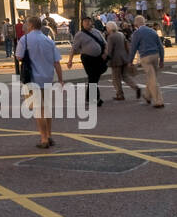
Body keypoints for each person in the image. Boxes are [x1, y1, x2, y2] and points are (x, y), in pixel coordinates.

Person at [16, 16, 64, 149]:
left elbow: (19, 56)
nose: (25, 26)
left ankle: (43, 139)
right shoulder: (48, 40)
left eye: (26, 24)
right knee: (46, 108)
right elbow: (57, 62)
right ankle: (49, 135)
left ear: (31, 25)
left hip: (32, 79)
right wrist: (60, 79)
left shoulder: (24, 39)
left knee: (39, 110)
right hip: (48, 78)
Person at [67, 16, 108, 108]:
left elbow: (105, 43)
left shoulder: (97, 32)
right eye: (85, 22)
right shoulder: (79, 35)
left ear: (91, 22)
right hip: (87, 59)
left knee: (94, 78)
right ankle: (95, 99)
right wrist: (70, 61)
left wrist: (105, 52)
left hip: (99, 58)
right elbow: (74, 49)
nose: (87, 23)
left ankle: (88, 97)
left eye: (89, 22)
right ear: (82, 24)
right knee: (92, 77)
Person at [129, 14, 165, 108]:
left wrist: (130, 61)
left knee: (152, 79)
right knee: (152, 77)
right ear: (144, 22)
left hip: (145, 56)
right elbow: (161, 46)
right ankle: (147, 96)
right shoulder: (152, 31)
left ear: (136, 24)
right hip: (155, 55)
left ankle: (158, 101)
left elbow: (133, 48)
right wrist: (162, 59)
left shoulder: (136, 33)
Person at [104, 21, 142, 102]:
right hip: (124, 58)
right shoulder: (121, 34)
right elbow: (126, 45)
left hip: (115, 60)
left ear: (109, 28)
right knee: (125, 76)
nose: (106, 29)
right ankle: (136, 87)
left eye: (107, 28)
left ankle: (120, 94)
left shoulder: (110, 37)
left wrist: (105, 58)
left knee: (116, 79)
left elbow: (110, 50)